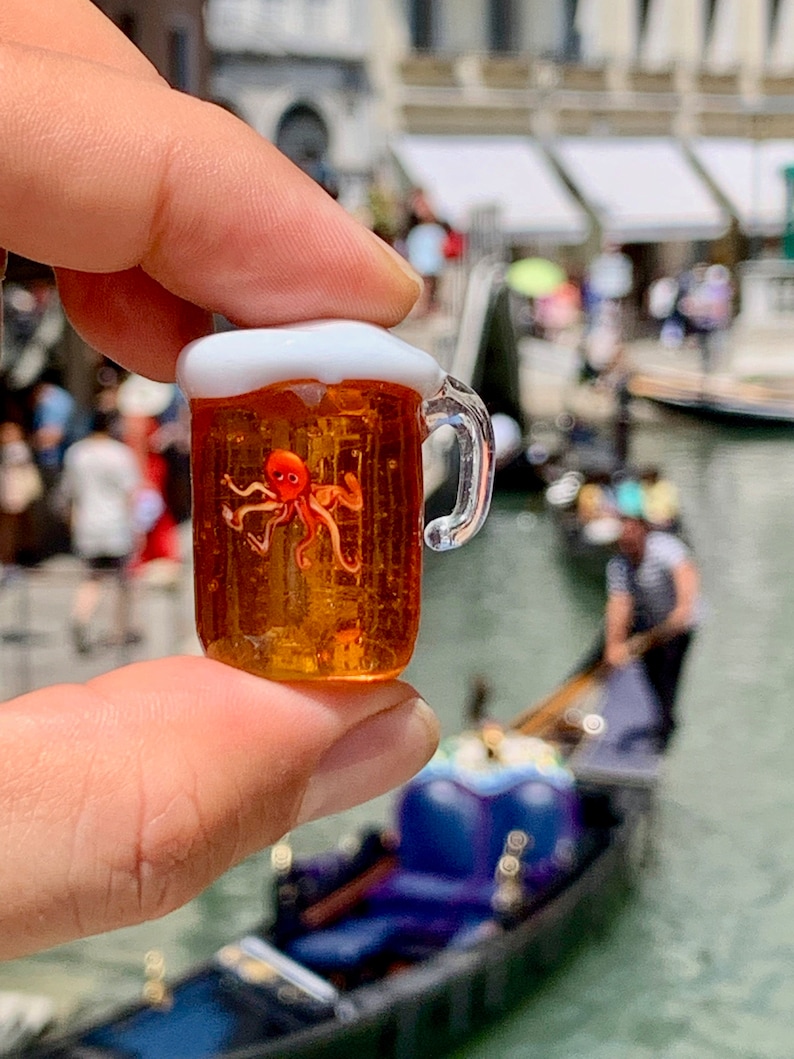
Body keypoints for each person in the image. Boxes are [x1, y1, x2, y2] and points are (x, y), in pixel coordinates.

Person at [0, 0, 434, 963]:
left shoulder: (292, 482)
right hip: (286, 521)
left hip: (291, 519)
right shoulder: (290, 479)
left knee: (311, 530)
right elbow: (283, 502)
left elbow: (284, 503)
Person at [604, 515, 700, 749]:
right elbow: (620, 604)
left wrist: (681, 611)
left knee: (668, 677)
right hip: (649, 626)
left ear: (644, 532)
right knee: (651, 675)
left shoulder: (666, 549)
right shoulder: (619, 565)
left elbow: (686, 577)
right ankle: (662, 716)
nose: (628, 541)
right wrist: (614, 644)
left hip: (678, 627)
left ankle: (666, 726)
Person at [58, 408, 142, 654]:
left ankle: (80, 617)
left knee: (92, 578)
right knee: (123, 580)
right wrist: (136, 526)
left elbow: (69, 492)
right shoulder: (120, 454)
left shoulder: (76, 453)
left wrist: (71, 522)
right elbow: (131, 493)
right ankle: (121, 629)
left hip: (88, 524)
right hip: (116, 525)